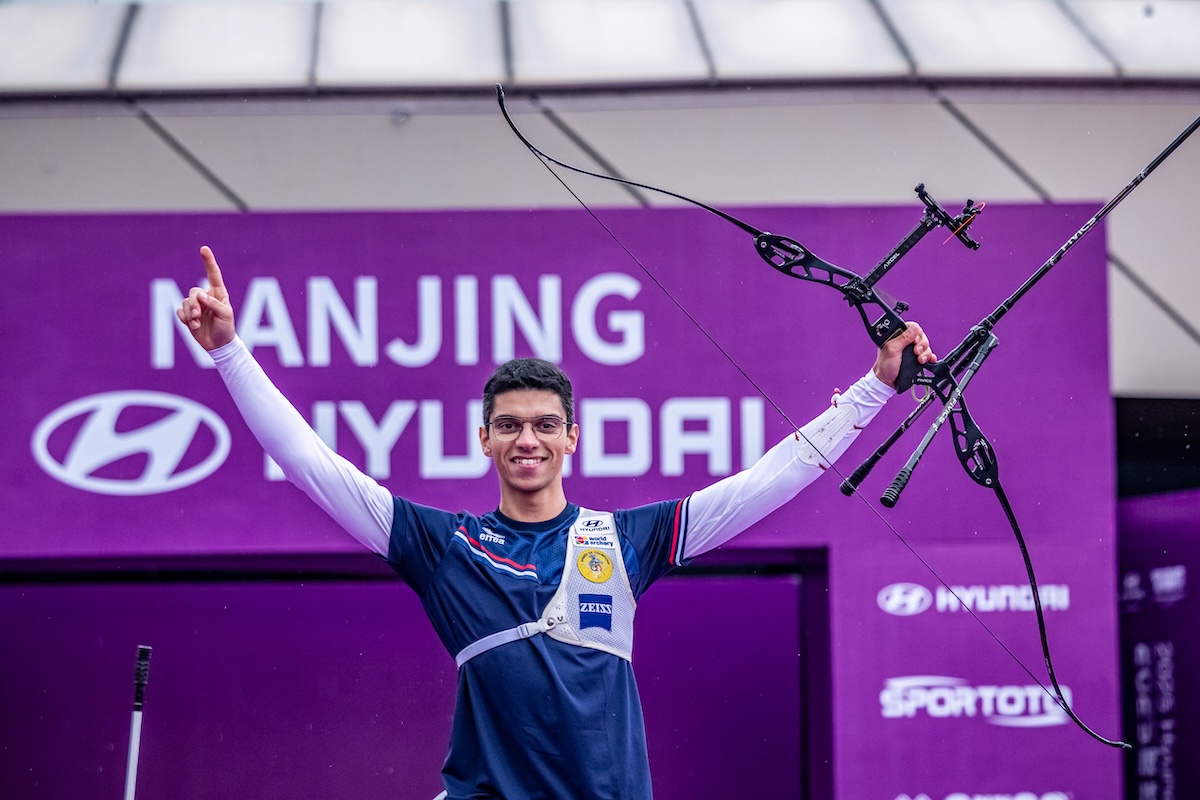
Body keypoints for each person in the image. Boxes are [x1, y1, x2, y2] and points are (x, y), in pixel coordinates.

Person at [178, 245, 936, 800]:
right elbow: (309, 461)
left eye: (545, 425)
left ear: (573, 437)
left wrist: (873, 389)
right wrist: (230, 353)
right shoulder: (445, 547)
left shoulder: (627, 539)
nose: (527, 440)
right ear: (483, 440)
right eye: (508, 426)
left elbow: (774, 477)